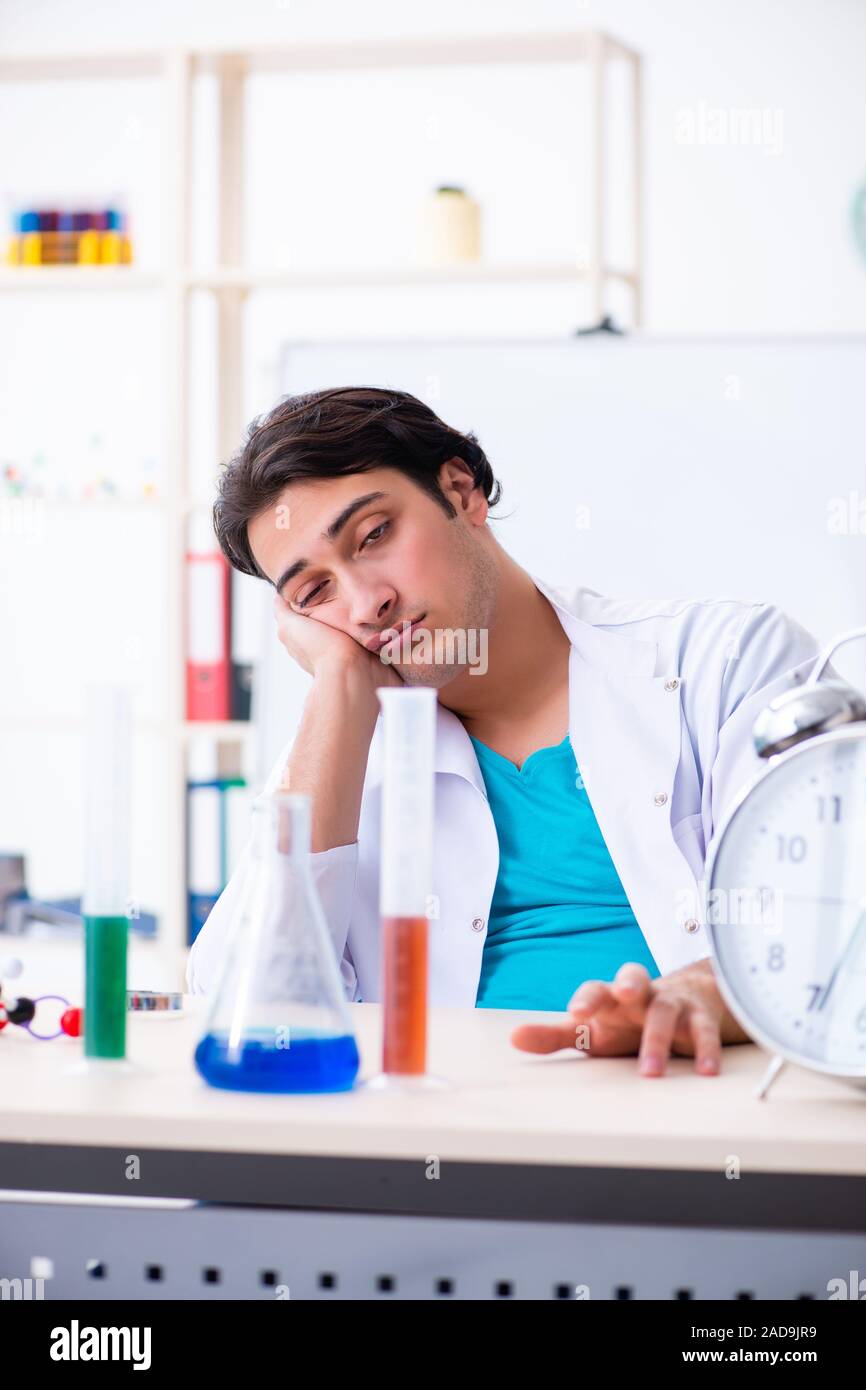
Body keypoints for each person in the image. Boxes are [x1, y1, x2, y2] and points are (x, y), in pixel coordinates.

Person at [186, 386, 821, 1079]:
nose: (368, 604)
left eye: (372, 536)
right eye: (315, 593)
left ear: (460, 491)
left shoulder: (727, 662)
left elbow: (829, 927)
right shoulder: (340, 750)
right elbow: (244, 1012)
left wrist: (707, 990)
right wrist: (337, 689)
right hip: (444, 1147)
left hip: (692, 1119)